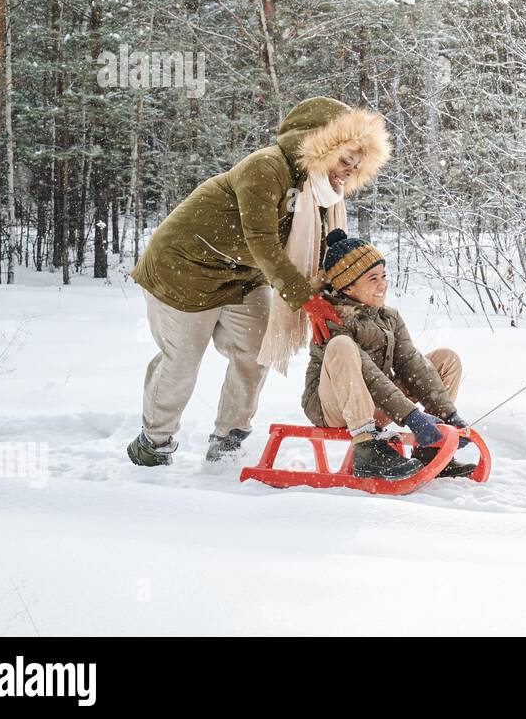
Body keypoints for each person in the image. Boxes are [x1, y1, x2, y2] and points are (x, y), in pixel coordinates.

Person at [127, 98, 391, 466]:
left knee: (255, 352)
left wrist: (346, 289)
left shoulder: (318, 192)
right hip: (184, 269)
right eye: (345, 159)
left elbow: (324, 249)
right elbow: (263, 242)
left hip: (243, 276)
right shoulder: (266, 168)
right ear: (320, 144)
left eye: (356, 165)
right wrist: (306, 300)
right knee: (182, 362)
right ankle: (153, 443)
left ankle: (229, 437)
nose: (348, 171)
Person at [300, 229, 475, 481]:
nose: (383, 284)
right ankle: (366, 447)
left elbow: (411, 363)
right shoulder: (331, 320)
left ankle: (430, 449)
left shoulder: (389, 317)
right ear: (348, 287)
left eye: (383, 275)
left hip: (379, 402)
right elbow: (368, 374)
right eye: (372, 279)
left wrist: (448, 415)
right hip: (335, 407)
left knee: (446, 359)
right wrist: (411, 416)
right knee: (341, 346)